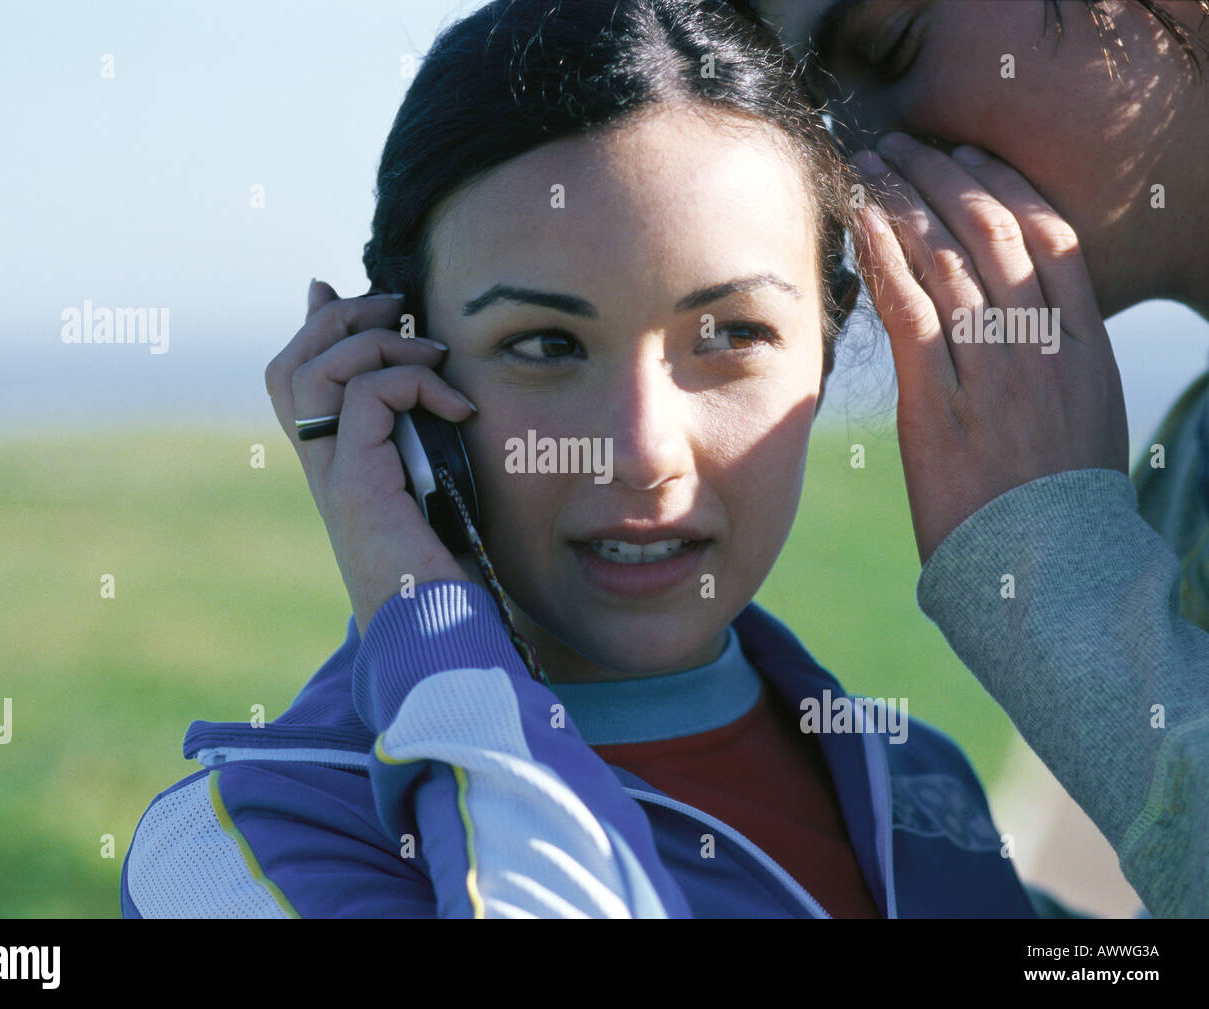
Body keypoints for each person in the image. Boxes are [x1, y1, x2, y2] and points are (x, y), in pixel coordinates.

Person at [121, 0, 1055, 918]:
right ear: (397, 371)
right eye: (546, 345)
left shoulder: (922, 787)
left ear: (830, 339)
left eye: (733, 332)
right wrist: (437, 642)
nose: (645, 452)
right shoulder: (243, 849)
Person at [734, 0, 1209, 917]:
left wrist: (1051, 561)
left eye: (892, 42)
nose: (855, 168)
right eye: (820, 115)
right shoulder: (1187, 466)